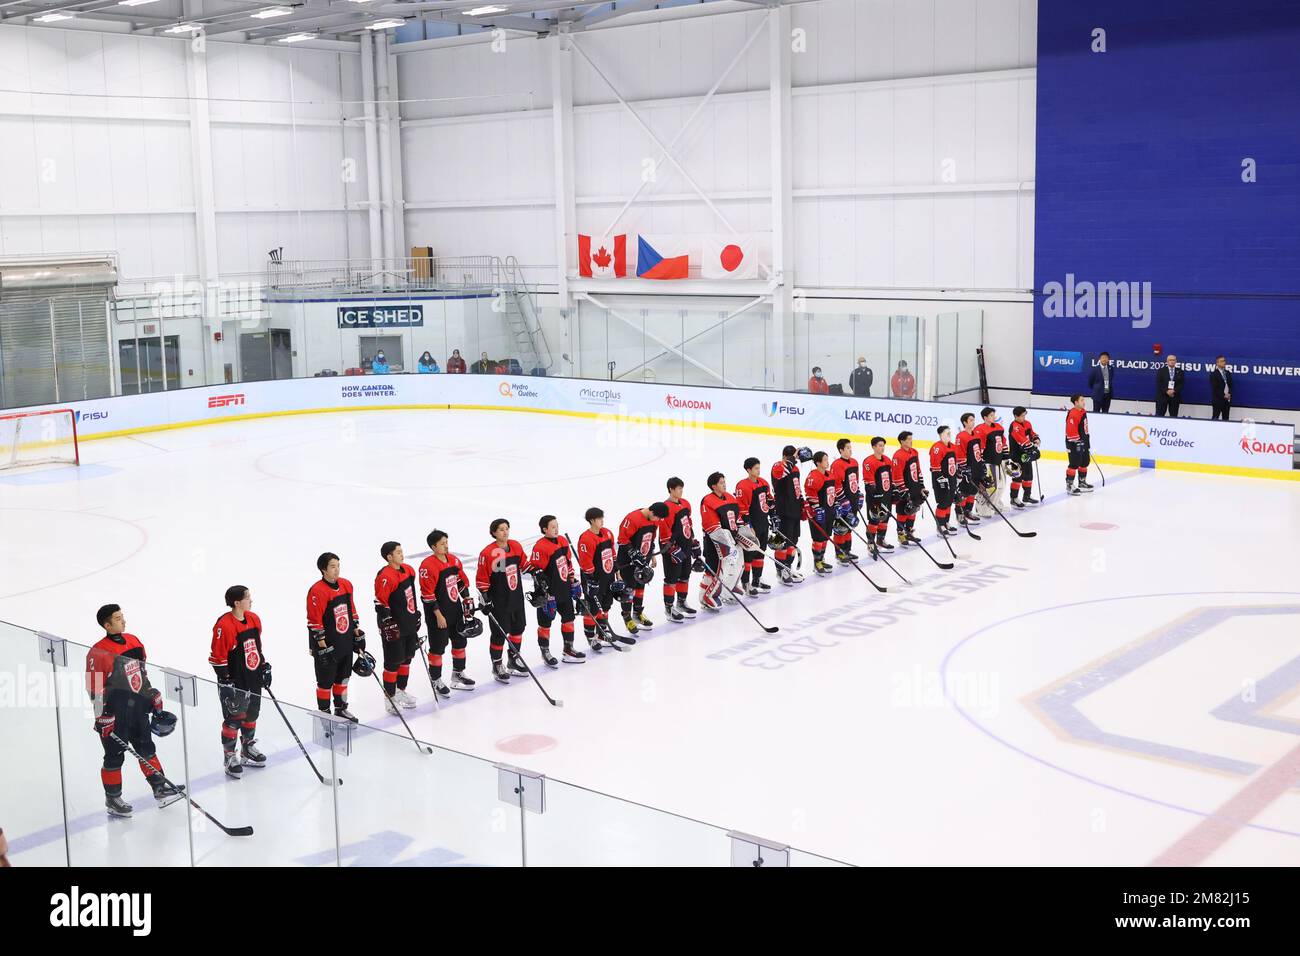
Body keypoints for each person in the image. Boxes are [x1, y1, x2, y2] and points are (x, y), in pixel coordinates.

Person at [86, 604, 183, 818]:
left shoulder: (134, 641)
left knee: (147, 749)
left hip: (138, 710)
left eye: (123, 617)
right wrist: (101, 715)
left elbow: (141, 673)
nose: (124, 621)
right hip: (114, 715)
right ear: (107, 624)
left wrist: (151, 694)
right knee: (114, 757)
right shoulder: (97, 652)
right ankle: (113, 799)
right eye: (118, 618)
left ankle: (160, 788)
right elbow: (94, 688)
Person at [209, 586, 270, 779]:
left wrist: (263, 666)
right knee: (234, 719)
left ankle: (246, 749)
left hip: (252, 676)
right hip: (235, 680)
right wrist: (227, 682)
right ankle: (229, 756)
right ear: (237, 603)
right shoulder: (224, 625)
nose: (251, 600)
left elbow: (256, 647)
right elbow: (217, 657)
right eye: (248, 597)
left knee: (252, 714)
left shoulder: (254, 618)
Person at [307, 552, 364, 722]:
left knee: (343, 677)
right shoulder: (317, 590)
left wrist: (356, 632)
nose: (337, 569)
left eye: (338, 565)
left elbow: (351, 610)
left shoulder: (346, 585)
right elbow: (314, 620)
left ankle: (341, 708)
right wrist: (322, 646)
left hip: (344, 641)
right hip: (328, 644)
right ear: (323, 569)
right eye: (332, 566)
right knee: (325, 682)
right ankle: (325, 714)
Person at [419, 530, 477, 696]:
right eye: (442, 543)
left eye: (446, 541)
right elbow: (427, 594)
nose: (446, 545)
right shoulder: (427, 566)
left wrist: (466, 600)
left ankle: (457, 674)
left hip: (455, 610)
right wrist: (438, 615)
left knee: (460, 642)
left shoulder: (453, 560)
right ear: (433, 546)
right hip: (438, 615)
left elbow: (460, 581)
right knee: (438, 647)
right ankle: (436, 679)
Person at [476, 519, 530, 683]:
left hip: (516, 597)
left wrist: (538, 573)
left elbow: (525, 565)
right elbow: (482, 580)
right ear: (493, 532)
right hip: (499, 601)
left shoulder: (515, 546)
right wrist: (485, 598)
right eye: (501, 530)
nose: (505, 532)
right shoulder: (488, 553)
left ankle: (513, 660)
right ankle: (497, 665)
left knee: (518, 628)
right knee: (500, 633)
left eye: (507, 529)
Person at [529, 515, 585, 665]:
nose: (556, 529)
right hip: (548, 594)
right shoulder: (540, 547)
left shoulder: (562, 541)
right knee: (545, 623)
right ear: (544, 529)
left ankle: (568, 649)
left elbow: (568, 562)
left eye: (557, 526)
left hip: (564, 589)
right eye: (552, 527)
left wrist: (572, 580)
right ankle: (545, 652)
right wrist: (544, 594)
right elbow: (536, 572)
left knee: (569, 619)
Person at [374, 541, 422, 714]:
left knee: (407, 658)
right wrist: (387, 623)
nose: (402, 554)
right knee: (392, 662)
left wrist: (415, 614)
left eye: (402, 551)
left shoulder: (408, 570)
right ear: (389, 557)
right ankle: (390, 698)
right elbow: (380, 603)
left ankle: (400, 691)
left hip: (408, 624)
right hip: (395, 627)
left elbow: (411, 596)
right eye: (398, 552)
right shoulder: (386, 576)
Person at [616, 502, 669, 631]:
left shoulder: (654, 520)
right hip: (627, 560)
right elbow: (622, 539)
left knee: (641, 584)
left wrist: (652, 555)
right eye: (657, 518)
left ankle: (638, 613)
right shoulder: (632, 519)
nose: (658, 521)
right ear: (651, 512)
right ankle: (627, 617)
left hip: (644, 557)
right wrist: (633, 553)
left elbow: (650, 539)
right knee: (629, 588)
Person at [577, 508, 625, 650]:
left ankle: (602, 633)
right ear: (592, 520)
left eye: (602, 518)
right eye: (599, 518)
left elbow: (612, 553)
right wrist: (590, 579)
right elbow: (585, 562)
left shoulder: (607, 533)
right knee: (592, 608)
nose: (602, 521)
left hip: (608, 576)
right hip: (594, 579)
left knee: (605, 605)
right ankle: (591, 637)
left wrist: (616, 569)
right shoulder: (586, 538)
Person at [699, 471, 744, 609]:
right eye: (721, 483)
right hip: (715, 542)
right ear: (713, 486)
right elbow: (713, 527)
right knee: (715, 569)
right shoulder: (708, 501)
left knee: (738, 565)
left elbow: (737, 518)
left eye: (724, 481)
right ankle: (706, 596)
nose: (724, 484)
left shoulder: (730, 497)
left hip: (732, 539)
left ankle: (727, 589)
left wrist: (743, 533)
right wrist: (727, 545)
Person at [658, 477, 699, 623]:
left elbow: (688, 524)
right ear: (671, 489)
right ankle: (669, 609)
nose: (681, 491)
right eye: (678, 488)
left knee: (685, 575)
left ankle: (681, 603)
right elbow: (664, 531)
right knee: (671, 578)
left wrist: (693, 541)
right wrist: (672, 549)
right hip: (672, 547)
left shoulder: (685, 503)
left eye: (682, 488)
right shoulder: (666, 507)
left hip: (685, 544)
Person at [735, 457, 774, 595]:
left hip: (763, 523)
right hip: (751, 526)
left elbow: (770, 500)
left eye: (759, 467)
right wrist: (748, 526)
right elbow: (742, 509)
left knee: (760, 553)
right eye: (756, 468)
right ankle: (745, 583)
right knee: (749, 556)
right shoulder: (742, 486)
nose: (758, 470)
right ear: (748, 470)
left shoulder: (763, 482)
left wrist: (773, 515)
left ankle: (757, 579)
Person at [770, 445, 808, 584]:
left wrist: (802, 504)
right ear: (786, 456)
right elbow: (782, 472)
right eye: (793, 457)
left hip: (794, 511)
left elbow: (797, 488)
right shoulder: (777, 466)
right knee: (782, 543)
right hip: (783, 511)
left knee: (793, 542)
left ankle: (787, 568)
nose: (796, 460)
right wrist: (792, 459)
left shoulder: (795, 468)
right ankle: (781, 571)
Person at [803, 451, 837, 575]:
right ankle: (816, 562)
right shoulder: (814, 476)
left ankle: (821, 559)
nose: (827, 462)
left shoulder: (830, 475)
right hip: (818, 514)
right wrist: (817, 509)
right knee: (818, 539)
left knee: (826, 537)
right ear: (818, 463)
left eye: (828, 460)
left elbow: (833, 493)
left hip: (829, 511)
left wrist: (836, 505)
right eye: (825, 460)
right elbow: (810, 494)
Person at [828, 439, 862, 564]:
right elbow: (836, 485)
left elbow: (855, 482)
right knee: (840, 528)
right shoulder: (837, 465)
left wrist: (859, 494)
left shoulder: (854, 462)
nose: (850, 449)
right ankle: (840, 554)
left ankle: (847, 551)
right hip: (842, 503)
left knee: (849, 526)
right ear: (841, 450)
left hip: (852, 500)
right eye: (847, 447)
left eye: (850, 447)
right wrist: (843, 500)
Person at [891, 431, 926, 545]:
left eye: (911, 438)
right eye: (908, 439)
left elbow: (918, 469)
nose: (911, 441)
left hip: (915, 486)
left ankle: (909, 532)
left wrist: (921, 486)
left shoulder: (914, 452)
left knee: (913, 508)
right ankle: (901, 534)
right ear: (902, 441)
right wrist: (903, 489)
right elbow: (897, 475)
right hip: (904, 488)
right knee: (903, 511)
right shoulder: (898, 456)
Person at [862, 437, 895, 552]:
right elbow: (869, 482)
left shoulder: (887, 459)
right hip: (874, 497)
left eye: (883, 445)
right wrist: (876, 496)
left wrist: (894, 490)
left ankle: (880, 540)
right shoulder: (868, 462)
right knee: (874, 520)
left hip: (886, 495)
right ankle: (870, 543)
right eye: (880, 445)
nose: (882, 448)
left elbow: (891, 478)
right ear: (873, 447)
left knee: (885, 518)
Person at [929, 425, 960, 536]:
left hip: (951, 478)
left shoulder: (953, 446)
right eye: (947, 433)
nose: (949, 435)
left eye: (950, 433)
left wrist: (957, 474)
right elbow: (935, 467)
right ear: (941, 434)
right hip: (940, 480)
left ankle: (946, 522)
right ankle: (940, 525)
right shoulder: (937, 448)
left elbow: (954, 463)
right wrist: (942, 480)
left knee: (949, 501)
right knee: (943, 502)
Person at [1007, 406, 1042, 507]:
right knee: (1017, 477)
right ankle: (1014, 498)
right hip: (1016, 456)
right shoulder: (1014, 427)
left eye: (1024, 415)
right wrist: (1033, 448)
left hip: (1026, 455)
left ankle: (1026, 496)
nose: (1024, 417)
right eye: (1022, 416)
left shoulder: (1027, 423)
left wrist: (1036, 439)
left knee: (1028, 476)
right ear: (1015, 416)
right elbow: (1022, 440)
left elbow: (1032, 434)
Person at [952, 413, 982, 524]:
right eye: (970, 420)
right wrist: (964, 468)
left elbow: (979, 451)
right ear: (965, 422)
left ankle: (968, 511)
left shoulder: (976, 434)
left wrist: (981, 464)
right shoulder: (961, 436)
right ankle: (960, 514)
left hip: (976, 467)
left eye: (974, 420)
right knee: (963, 492)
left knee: (973, 490)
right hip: (966, 469)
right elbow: (960, 454)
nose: (973, 422)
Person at [1065, 393, 1094, 495]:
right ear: (1076, 402)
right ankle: (1069, 485)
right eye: (1081, 400)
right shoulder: (1073, 414)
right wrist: (1078, 442)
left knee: (1085, 461)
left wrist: (1085, 442)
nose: (1084, 402)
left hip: (1083, 441)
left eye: (1084, 400)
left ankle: (1082, 483)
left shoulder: (1082, 411)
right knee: (1074, 463)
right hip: (1074, 443)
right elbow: (1070, 431)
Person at [1209, 355, 1233, 421]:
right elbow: (1215, 388)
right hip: (1218, 401)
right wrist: (1223, 395)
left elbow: (1230, 385)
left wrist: (1229, 394)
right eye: (1222, 361)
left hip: (1227, 401)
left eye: (1224, 361)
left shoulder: (1228, 373)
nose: (1224, 362)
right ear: (1217, 363)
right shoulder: (1214, 374)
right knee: (1215, 418)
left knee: (1226, 419)